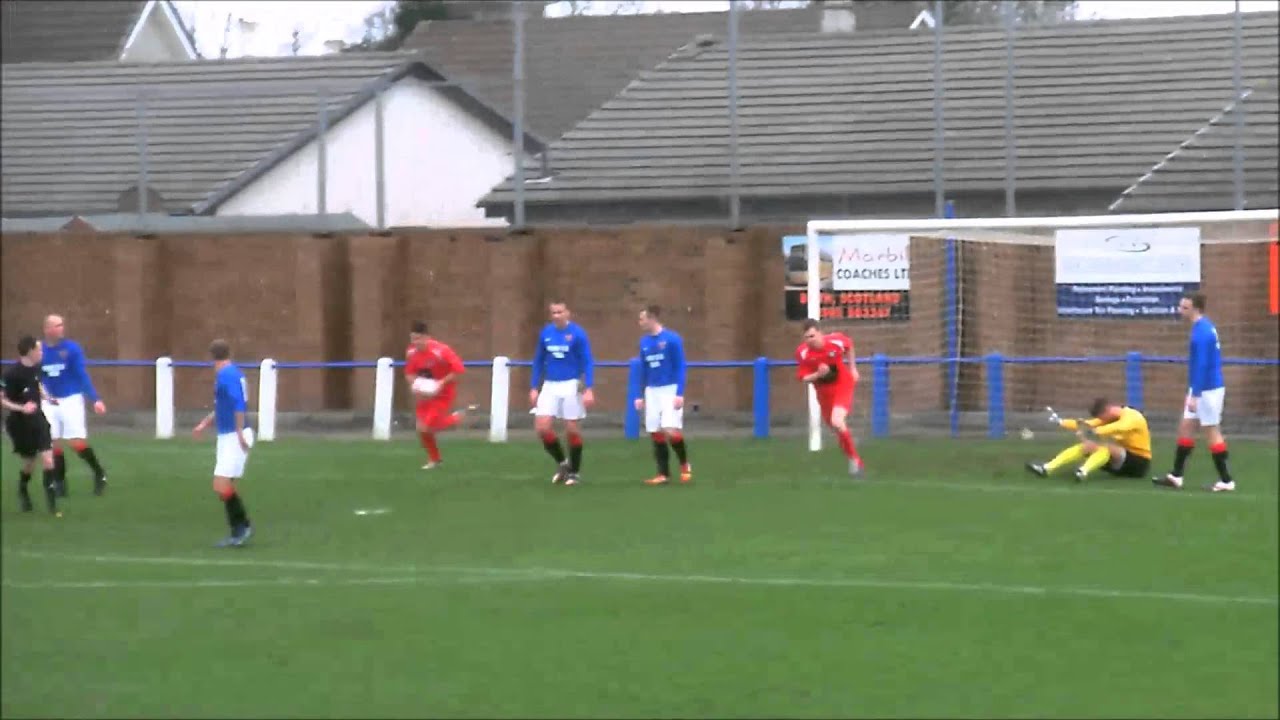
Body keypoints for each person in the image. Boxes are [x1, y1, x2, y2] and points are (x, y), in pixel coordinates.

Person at [1153, 292, 1234, 492]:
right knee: (1186, 427)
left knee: (1212, 432)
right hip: (1200, 388)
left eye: (1184, 308)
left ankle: (1226, 480)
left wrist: (1195, 395)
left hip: (1208, 390)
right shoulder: (1202, 328)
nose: (1180, 311)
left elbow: (1203, 364)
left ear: (1195, 309)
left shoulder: (1202, 332)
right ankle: (1176, 476)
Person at [192, 340, 254, 548]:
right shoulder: (232, 373)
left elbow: (238, 405)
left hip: (234, 435)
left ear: (211, 357)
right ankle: (241, 526)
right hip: (229, 435)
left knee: (221, 484)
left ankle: (241, 528)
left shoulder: (226, 375)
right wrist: (204, 423)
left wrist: (239, 433)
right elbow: (223, 406)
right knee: (223, 485)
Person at [40, 314, 107, 497]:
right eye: (56, 325)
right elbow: (34, 373)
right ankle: (60, 482)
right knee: (52, 442)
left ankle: (99, 473)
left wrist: (95, 399)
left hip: (70, 400)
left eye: (61, 325)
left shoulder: (71, 349)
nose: (61, 328)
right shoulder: (40, 350)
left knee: (76, 443)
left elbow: (81, 375)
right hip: (48, 401)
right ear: (47, 329)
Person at [530, 301, 594, 486]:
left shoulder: (578, 334)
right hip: (550, 385)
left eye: (560, 312)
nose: (556, 315)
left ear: (568, 313)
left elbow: (587, 361)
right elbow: (538, 361)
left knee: (572, 430)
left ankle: (574, 472)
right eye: (553, 312)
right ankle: (562, 463)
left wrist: (588, 388)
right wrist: (534, 387)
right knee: (542, 428)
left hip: (571, 384)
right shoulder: (546, 333)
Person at [795, 319, 863, 476]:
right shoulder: (803, 353)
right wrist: (818, 374)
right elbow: (803, 378)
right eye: (806, 338)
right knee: (837, 427)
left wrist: (853, 369)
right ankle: (851, 452)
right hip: (824, 393)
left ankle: (856, 462)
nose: (810, 340)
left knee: (837, 421)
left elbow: (849, 345)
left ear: (820, 333)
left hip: (843, 385)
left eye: (812, 336)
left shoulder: (835, 341)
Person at [1026, 398, 1152, 482]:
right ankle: (1047, 468)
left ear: (1108, 409)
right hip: (1121, 461)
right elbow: (1087, 424)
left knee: (1105, 446)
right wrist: (1060, 421)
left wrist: (1095, 431)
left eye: (1101, 417)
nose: (1101, 420)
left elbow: (1120, 427)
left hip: (1139, 463)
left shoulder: (1133, 417)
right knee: (1087, 446)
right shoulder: (1108, 417)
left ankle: (1083, 471)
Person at [2, 337, 60, 516]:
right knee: (29, 462)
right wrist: (22, 408)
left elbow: (38, 384)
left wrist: (48, 397)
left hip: (38, 420)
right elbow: (2, 399)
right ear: (29, 351)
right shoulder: (11, 374)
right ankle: (23, 489)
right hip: (19, 423)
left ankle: (52, 505)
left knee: (48, 460)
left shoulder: (37, 368)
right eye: (39, 349)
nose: (42, 352)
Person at [635, 305, 691, 485]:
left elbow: (680, 366)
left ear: (652, 318)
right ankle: (663, 474)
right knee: (655, 431)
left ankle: (684, 463)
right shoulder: (644, 342)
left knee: (669, 430)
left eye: (642, 319)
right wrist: (639, 394)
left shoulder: (672, 339)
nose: (640, 322)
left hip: (670, 389)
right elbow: (643, 368)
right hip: (651, 391)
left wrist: (680, 393)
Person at [404, 321, 468, 470]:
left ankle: (455, 418)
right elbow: (409, 373)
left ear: (427, 337)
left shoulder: (441, 351)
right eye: (413, 339)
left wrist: (440, 383)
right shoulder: (411, 352)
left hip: (443, 393)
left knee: (426, 427)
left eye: (418, 339)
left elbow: (459, 369)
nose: (415, 343)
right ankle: (435, 460)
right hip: (426, 394)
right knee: (421, 429)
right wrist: (415, 386)